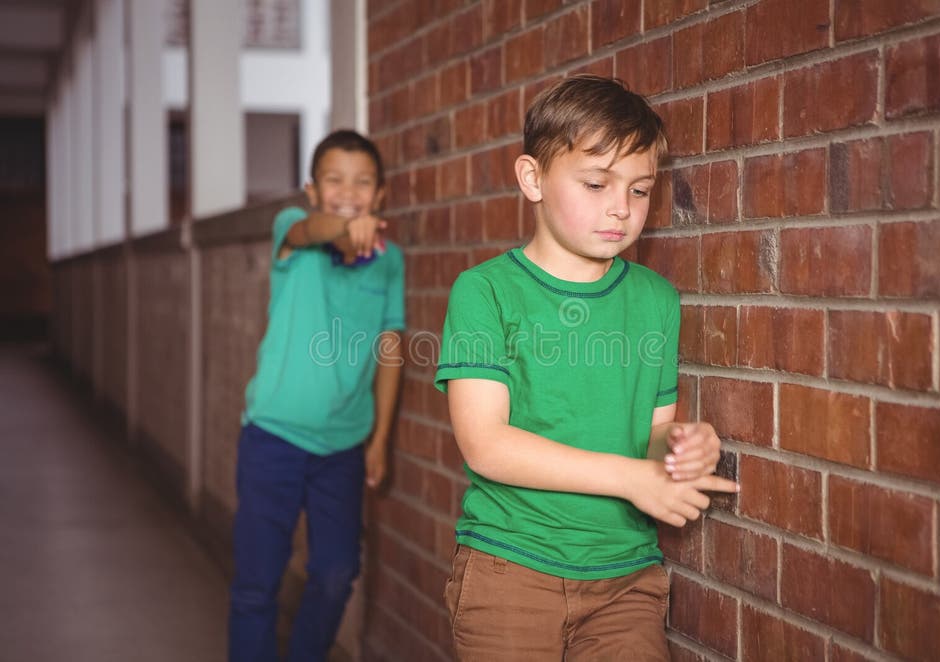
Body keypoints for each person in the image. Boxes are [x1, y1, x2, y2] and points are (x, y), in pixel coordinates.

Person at [434, 75, 740, 660]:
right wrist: (630, 478)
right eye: (597, 183)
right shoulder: (485, 293)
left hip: (626, 580)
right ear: (533, 179)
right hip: (510, 573)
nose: (621, 209)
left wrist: (681, 448)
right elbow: (486, 444)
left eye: (640, 190)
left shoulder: (656, 300)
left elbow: (651, 434)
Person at [228, 129, 404, 662]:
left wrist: (379, 441)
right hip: (273, 438)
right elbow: (315, 231)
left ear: (381, 195)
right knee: (258, 583)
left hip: (343, 447)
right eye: (334, 180)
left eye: (362, 181)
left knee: (336, 572)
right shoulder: (292, 231)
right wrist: (345, 229)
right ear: (311, 189)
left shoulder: (390, 260)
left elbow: (390, 349)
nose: (347, 190)